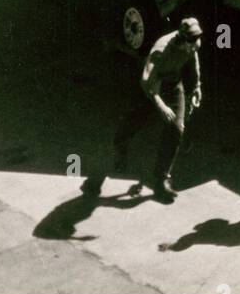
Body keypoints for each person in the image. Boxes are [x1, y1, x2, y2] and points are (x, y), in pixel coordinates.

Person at [83, 17, 204, 202]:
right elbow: (146, 81)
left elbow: (194, 62)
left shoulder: (193, 43)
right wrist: (161, 105)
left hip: (173, 84)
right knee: (135, 121)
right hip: (153, 86)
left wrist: (196, 88)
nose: (194, 43)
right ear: (181, 38)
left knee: (176, 129)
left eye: (196, 39)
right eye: (191, 40)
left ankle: (162, 178)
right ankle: (120, 147)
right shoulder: (161, 49)